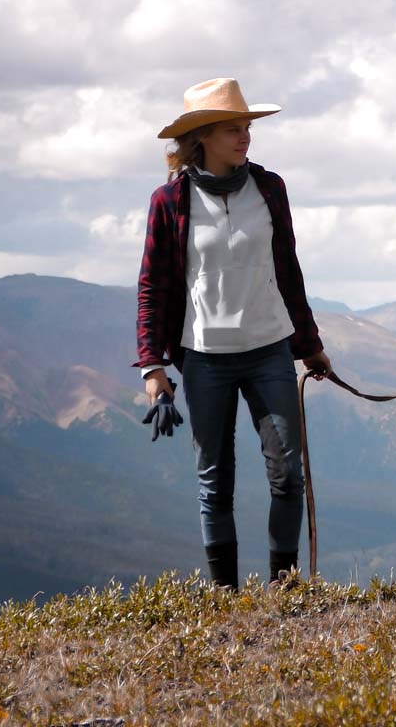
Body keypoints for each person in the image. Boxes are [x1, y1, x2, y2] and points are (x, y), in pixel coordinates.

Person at [133, 77, 332, 589]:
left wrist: (309, 347)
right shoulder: (170, 201)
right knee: (214, 486)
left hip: (270, 349)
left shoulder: (270, 188)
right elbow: (152, 285)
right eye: (232, 129)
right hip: (204, 358)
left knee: (289, 479)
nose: (245, 137)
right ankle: (225, 597)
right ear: (201, 138)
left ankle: (284, 592)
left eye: (247, 127)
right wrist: (153, 365)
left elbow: (288, 270)